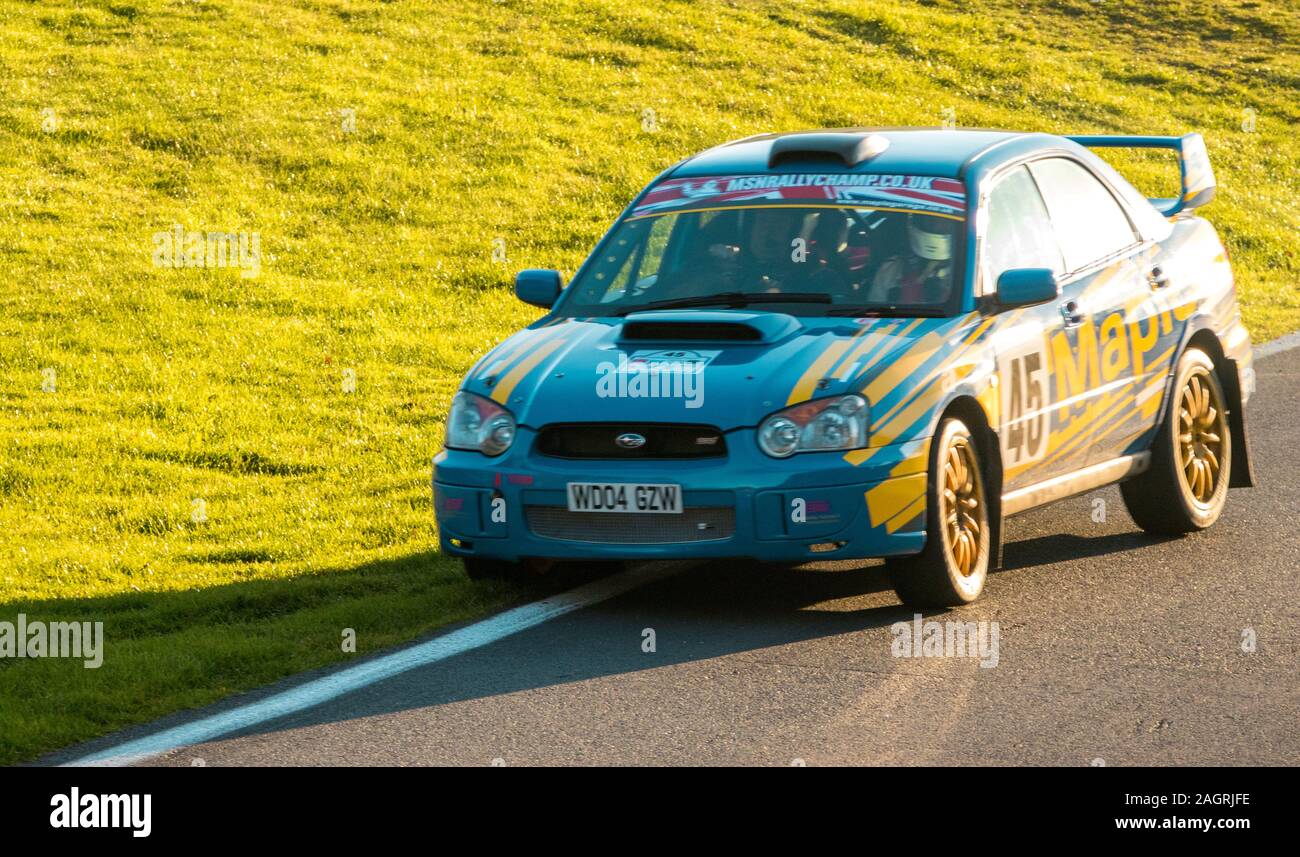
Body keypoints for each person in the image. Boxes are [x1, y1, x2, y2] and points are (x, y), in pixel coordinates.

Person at [867, 213, 956, 305]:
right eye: (930, 221)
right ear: (917, 221)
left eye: (944, 223)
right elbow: (874, 312)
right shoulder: (890, 270)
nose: (937, 227)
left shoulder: (965, 272)